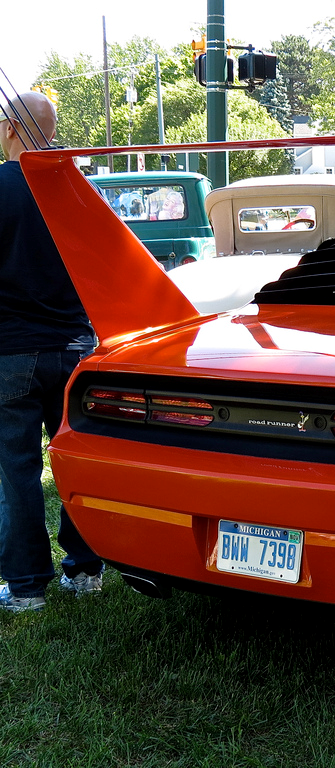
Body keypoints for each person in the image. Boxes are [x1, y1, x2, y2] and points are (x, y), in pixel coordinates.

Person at [0, 92, 103, 613]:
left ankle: (25, 587)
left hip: (9, 352)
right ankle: (85, 571)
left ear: (15, 129)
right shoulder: (78, 188)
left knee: (15, 471)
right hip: (75, 349)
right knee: (73, 463)